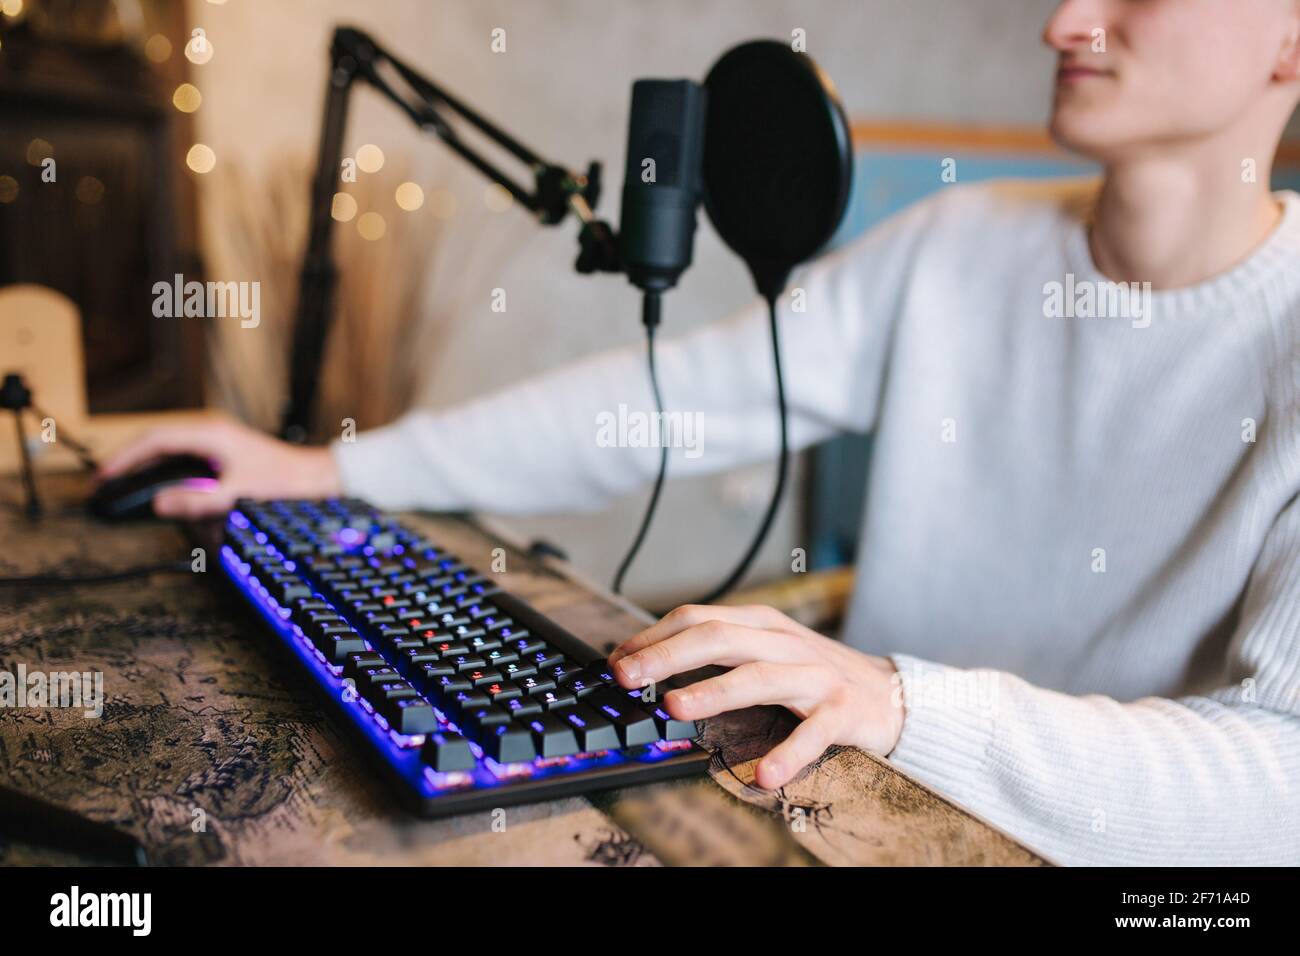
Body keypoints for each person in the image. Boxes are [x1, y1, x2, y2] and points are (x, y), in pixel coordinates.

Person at [102, 0, 1300, 865]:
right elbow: (675, 396)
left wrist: (903, 701)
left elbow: (1281, 781)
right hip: (835, 804)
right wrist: (332, 467)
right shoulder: (961, 242)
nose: (1063, 22)